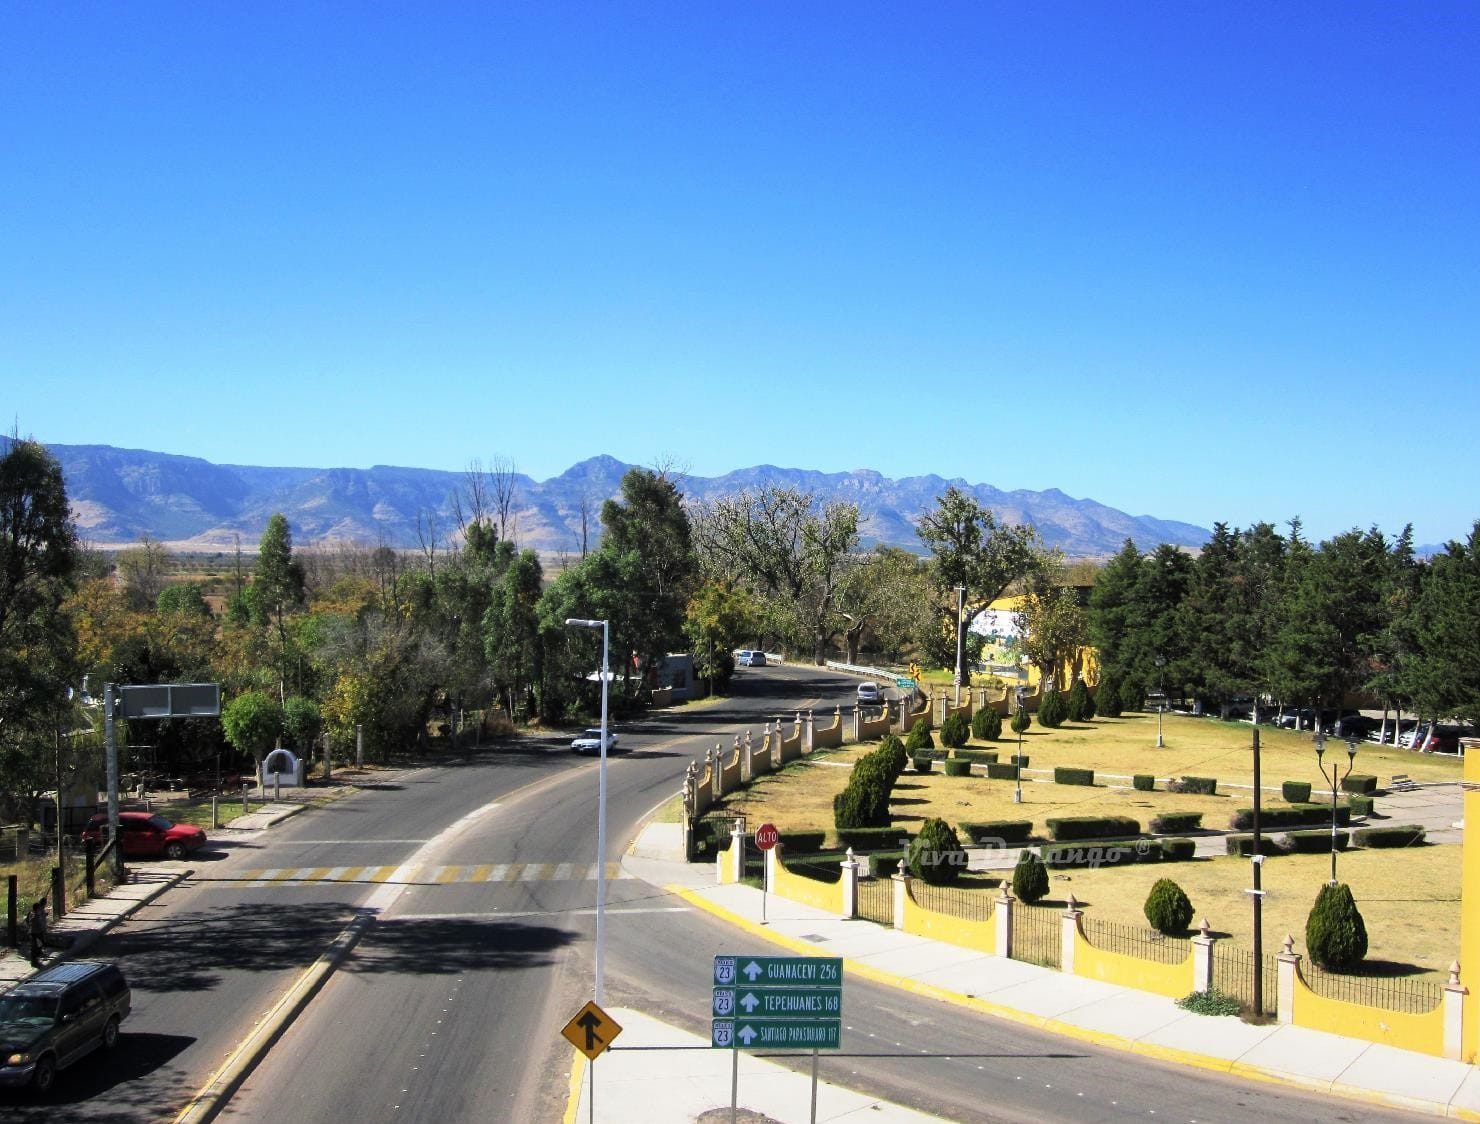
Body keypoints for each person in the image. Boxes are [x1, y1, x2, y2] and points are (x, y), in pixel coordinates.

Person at [28, 899, 47, 968]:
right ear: (37, 909)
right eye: (39, 909)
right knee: (36, 947)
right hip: (35, 933)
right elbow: (37, 924)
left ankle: (36, 959)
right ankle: (34, 961)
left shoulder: (35, 915)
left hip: (37, 932)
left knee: (38, 945)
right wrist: (42, 929)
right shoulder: (34, 916)